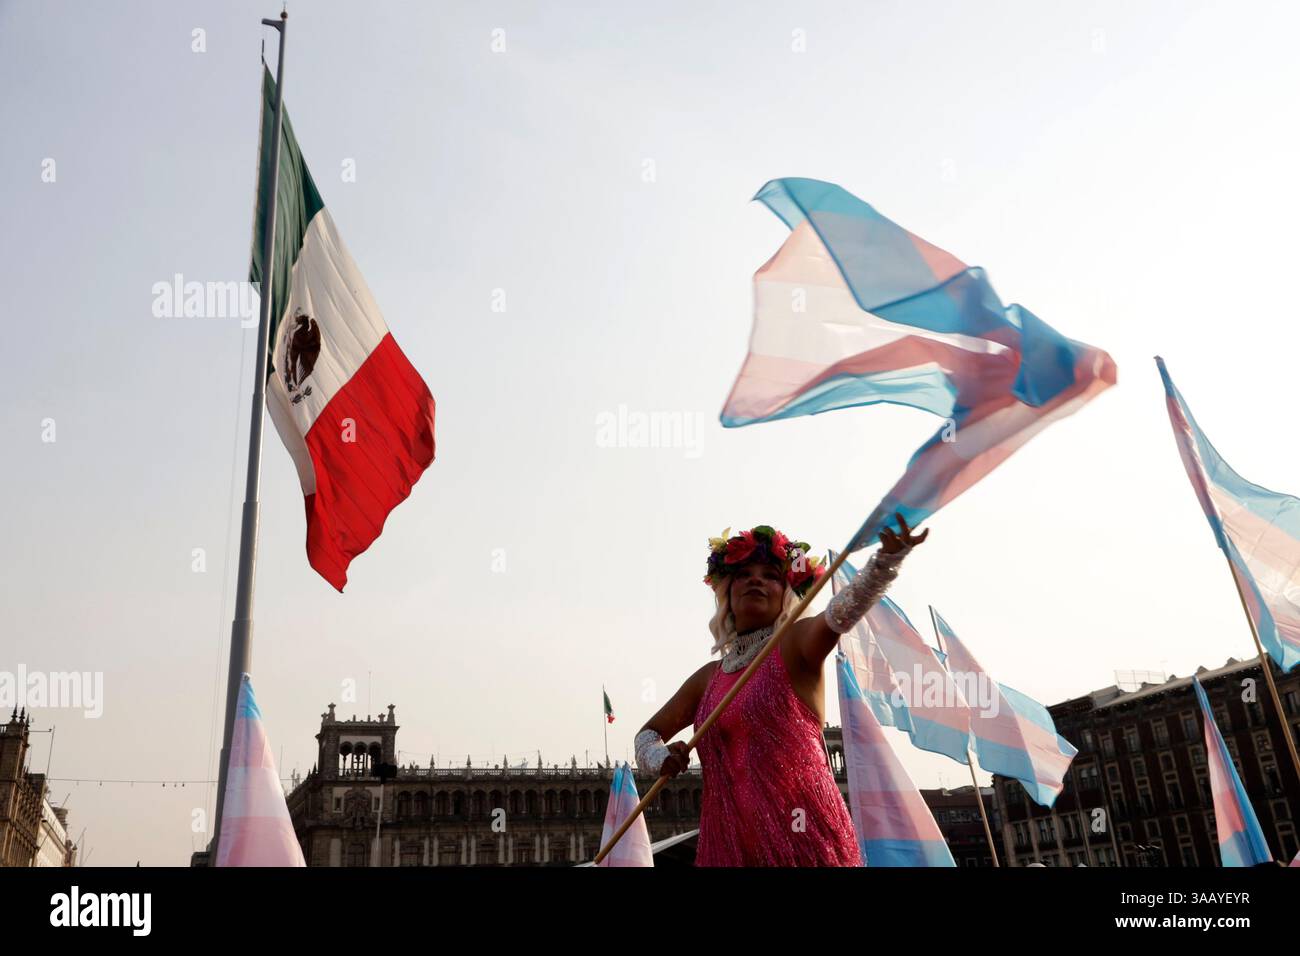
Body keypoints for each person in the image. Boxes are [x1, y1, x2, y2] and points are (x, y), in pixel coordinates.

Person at [634, 515, 927, 866]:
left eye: (771, 576)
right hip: (727, 845)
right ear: (727, 591)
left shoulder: (795, 644)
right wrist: (660, 758)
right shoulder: (707, 679)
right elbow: (646, 736)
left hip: (802, 838)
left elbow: (840, 614)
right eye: (744, 574)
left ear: (786, 594)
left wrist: (885, 562)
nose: (756, 579)